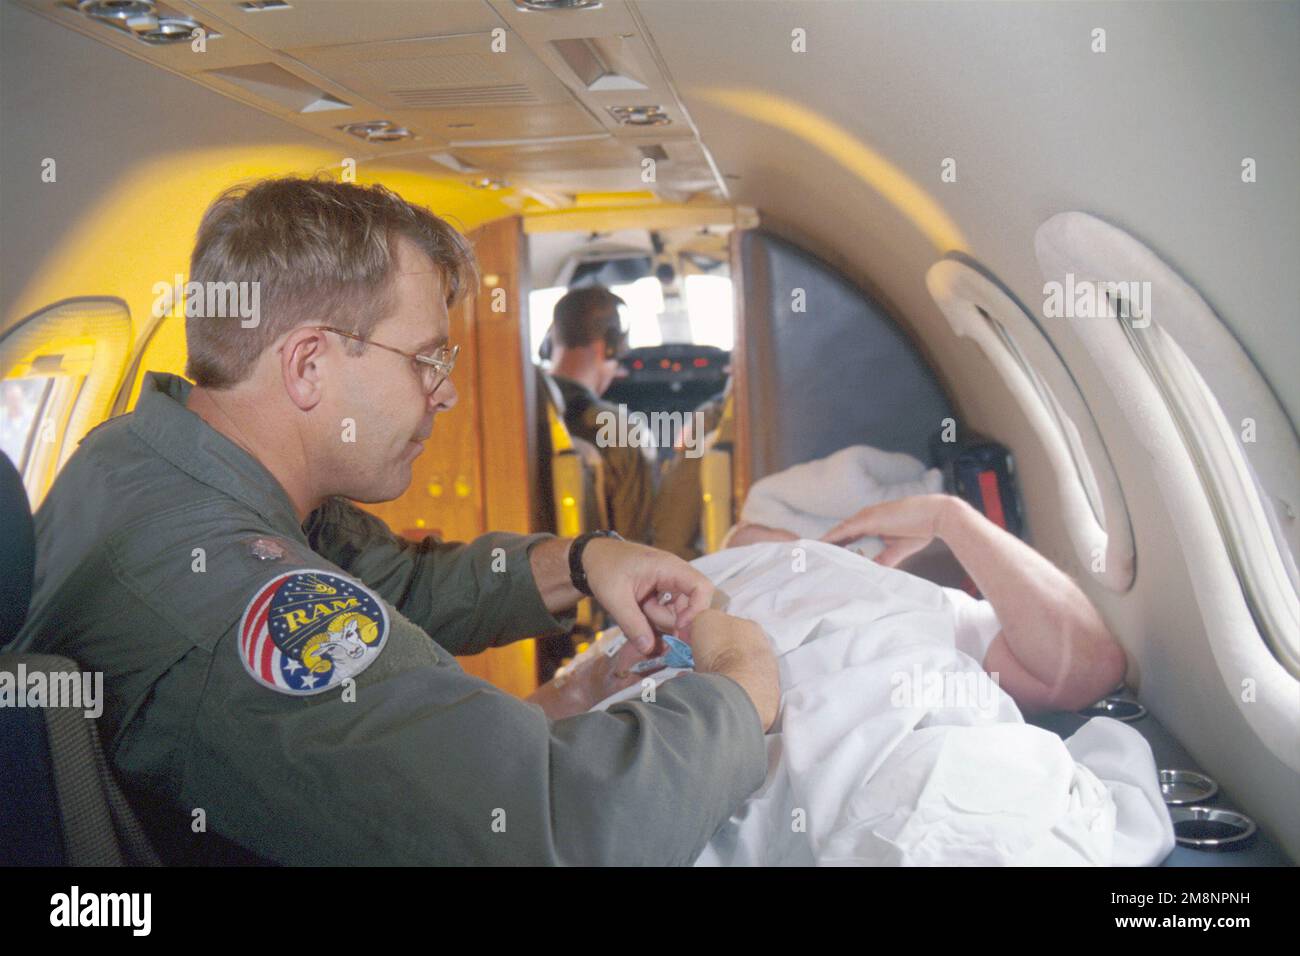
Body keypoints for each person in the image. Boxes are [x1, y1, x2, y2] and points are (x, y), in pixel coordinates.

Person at [9, 176, 780, 865]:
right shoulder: (228, 610)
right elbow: (566, 830)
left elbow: (404, 582)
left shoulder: (152, 451)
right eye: (425, 360)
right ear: (309, 364)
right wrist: (740, 682)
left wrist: (582, 562)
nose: (444, 394)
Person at [543, 286, 656, 542]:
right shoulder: (621, 431)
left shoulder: (520, 416)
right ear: (609, 347)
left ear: (551, 342)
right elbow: (635, 544)